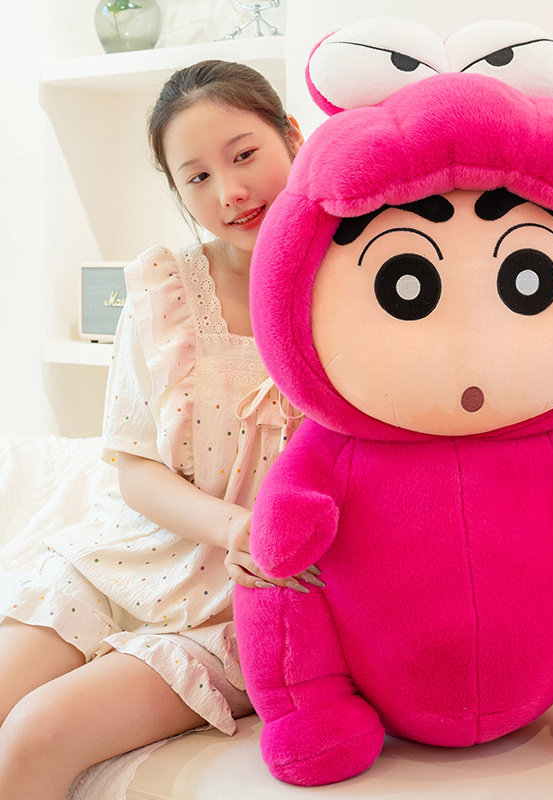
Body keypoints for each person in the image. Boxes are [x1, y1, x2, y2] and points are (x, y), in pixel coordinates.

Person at [0, 59, 314, 799]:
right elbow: (134, 467)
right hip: (127, 561)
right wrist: (236, 527)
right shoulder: (165, 287)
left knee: (34, 737)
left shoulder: (362, 283)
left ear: (293, 138)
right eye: (196, 176)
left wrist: (264, 545)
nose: (229, 192)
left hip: (241, 607)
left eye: (244, 154)